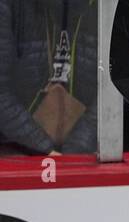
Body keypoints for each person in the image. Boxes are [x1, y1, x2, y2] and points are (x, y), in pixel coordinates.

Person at [0, 0, 98, 155]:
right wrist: (44, 147)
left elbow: (113, 90)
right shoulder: (10, 7)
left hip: (91, 149)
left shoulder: (105, 7)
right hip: (18, 147)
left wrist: (76, 149)